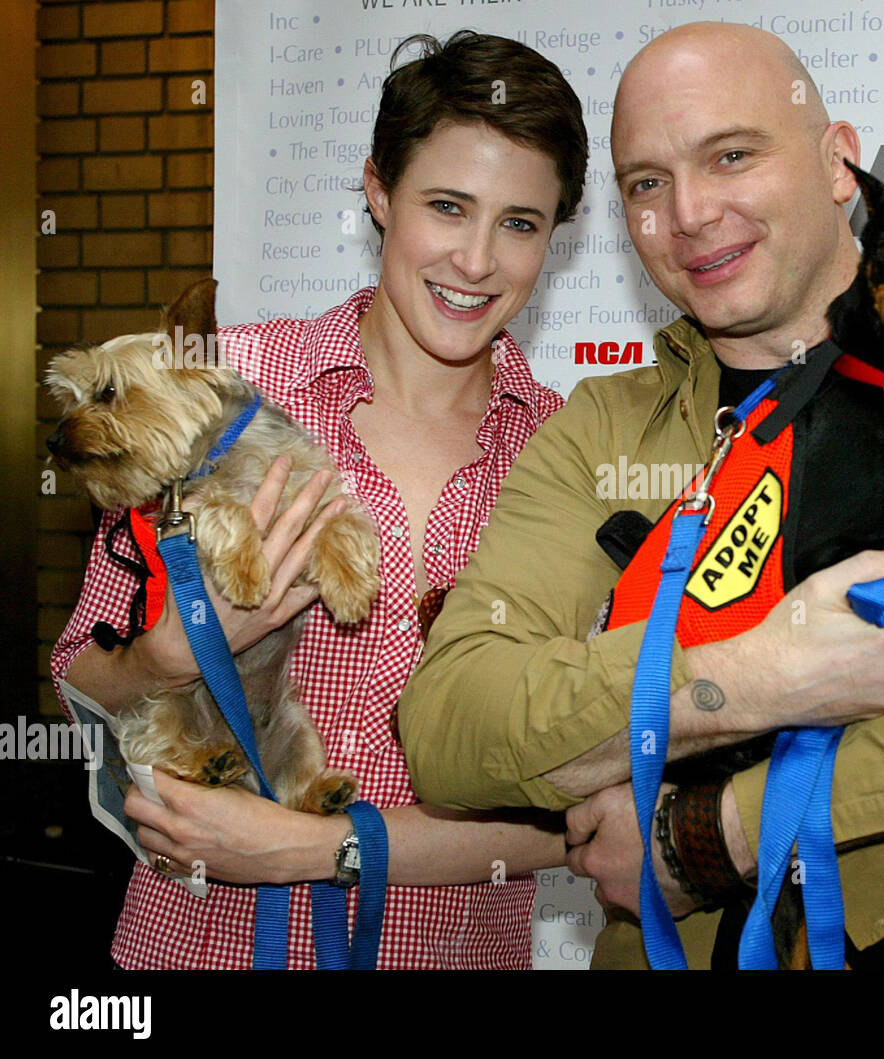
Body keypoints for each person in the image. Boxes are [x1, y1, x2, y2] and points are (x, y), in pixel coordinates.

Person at [397, 21, 884, 969]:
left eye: (731, 155)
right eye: (647, 183)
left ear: (839, 164)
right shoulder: (603, 431)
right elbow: (452, 723)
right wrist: (748, 678)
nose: (689, 211)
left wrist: (713, 829)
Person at [50, 31, 587, 969]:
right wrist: (168, 654)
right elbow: (73, 688)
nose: (474, 259)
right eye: (447, 206)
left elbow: (584, 821)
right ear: (378, 192)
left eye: (520, 223)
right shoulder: (223, 386)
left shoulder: (567, 452)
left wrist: (322, 846)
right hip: (197, 951)